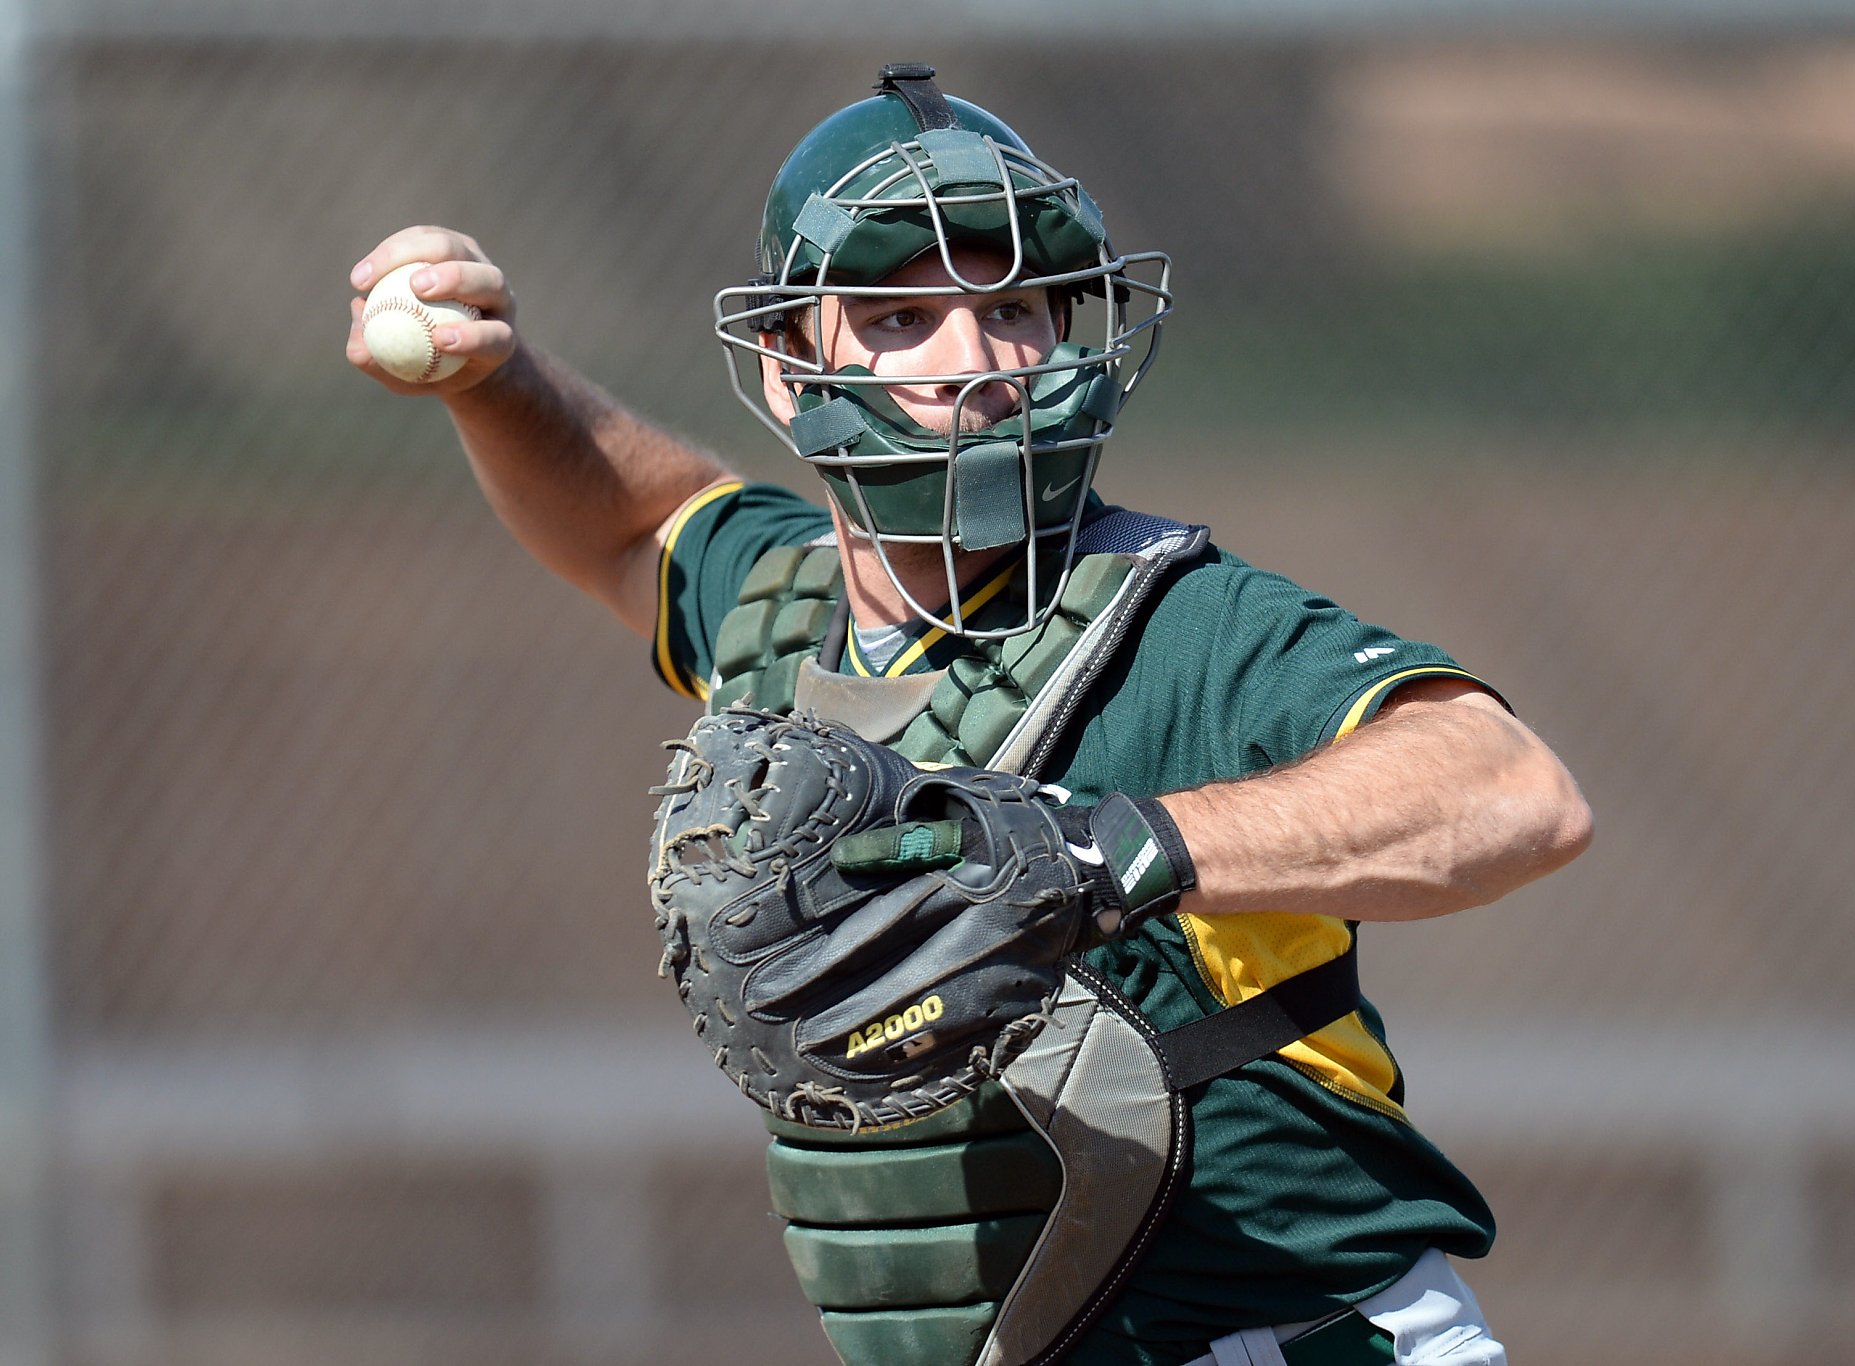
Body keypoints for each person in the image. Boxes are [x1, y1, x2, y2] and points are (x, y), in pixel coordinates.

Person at [346, 63, 1590, 1366]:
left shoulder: (1174, 626)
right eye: (899, 316)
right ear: (789, 370)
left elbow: (1513, 790)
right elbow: (632, 524)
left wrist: (1103, 851)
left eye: (1014, 309)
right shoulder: (778, 617)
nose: (978, 362)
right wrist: (490, 379)